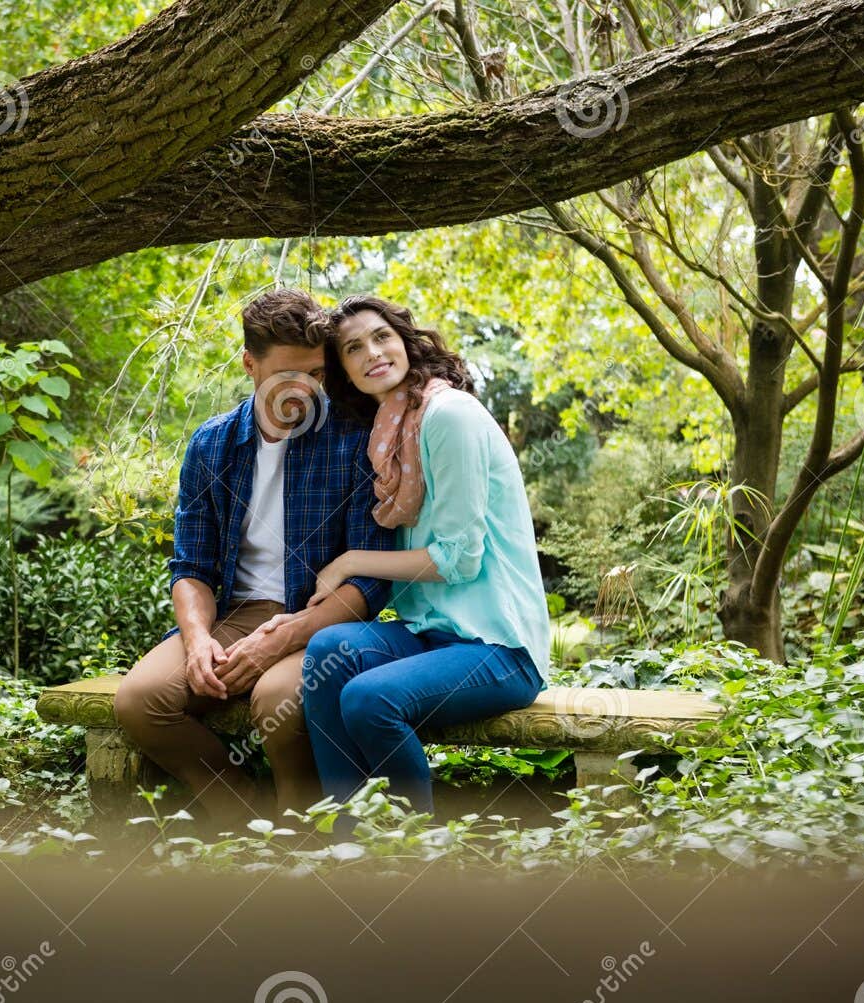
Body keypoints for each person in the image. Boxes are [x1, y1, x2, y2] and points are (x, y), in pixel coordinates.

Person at [113, 289, 394, 822]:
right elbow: (192, 567)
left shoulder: (354, 439)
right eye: (288, 374)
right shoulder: (210, 445)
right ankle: (242, 815)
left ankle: (299, 827)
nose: (304, 390)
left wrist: (285, 637)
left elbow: (371, 580)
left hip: (322, 618)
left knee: (275, 700)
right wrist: (197, 644)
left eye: (316, 373)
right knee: (139, 702)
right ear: (249, 363)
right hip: (237, 615)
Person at [300, 295, 551, 815]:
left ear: (406, 341)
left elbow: (460, 560)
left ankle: (419, 852)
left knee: (369, 698)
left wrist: (349, 561)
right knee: (327, 652)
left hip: (500, 648)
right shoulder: (389, 432)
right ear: (343, 369)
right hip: (432, 638)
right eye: (353, 348)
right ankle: (346, 839)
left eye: (382, 337)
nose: (372, 352)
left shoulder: (448, 416)